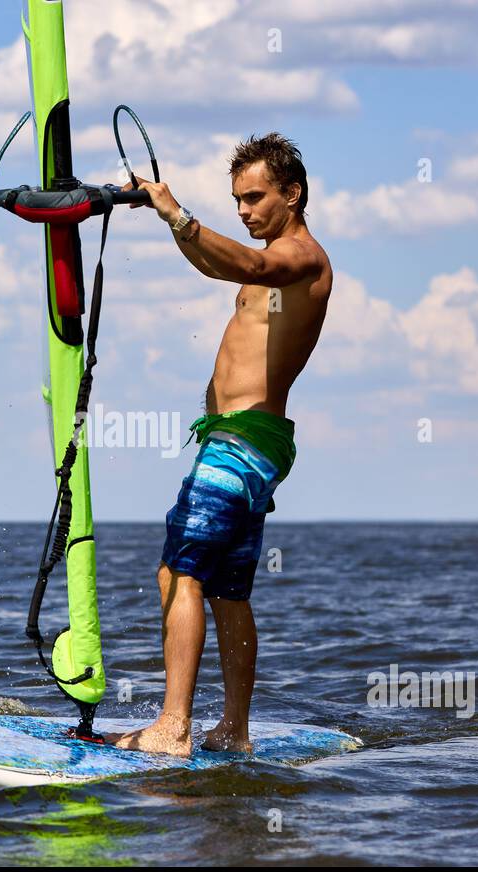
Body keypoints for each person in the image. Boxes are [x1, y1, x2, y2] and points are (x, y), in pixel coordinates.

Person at [106, 133, 334, 757]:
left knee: (179, 572)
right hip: (251, 444)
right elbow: (217, 262)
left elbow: (250, 265)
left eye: (255, 198)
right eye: (236, 201)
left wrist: (177, 212)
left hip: (238, 444)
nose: (244, 211)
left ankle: (172, 726)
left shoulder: (300, 258)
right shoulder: (268, 257)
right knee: (229, 589)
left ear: (293, 193)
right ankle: (234, 731)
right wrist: (164, 215)